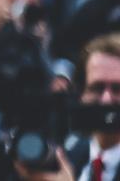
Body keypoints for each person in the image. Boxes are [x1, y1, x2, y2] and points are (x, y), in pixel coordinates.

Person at [14, 33, 120, 180]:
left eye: (117, 88)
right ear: (82, 94)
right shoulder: (68, 155)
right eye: (97, 88)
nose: (106, 99)